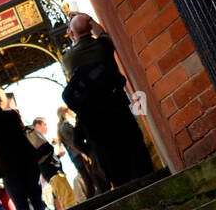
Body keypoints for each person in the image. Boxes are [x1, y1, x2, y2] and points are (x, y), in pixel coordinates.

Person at [61, 13, 153, 188]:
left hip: (94, 117)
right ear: (89, 28)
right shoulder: (103, 46)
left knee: (110, 155)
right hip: (116, 105)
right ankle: (145, 178)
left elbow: (72, 61)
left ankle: (124, 186)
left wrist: (74, 33)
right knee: (132, 145)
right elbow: (102, 32)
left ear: (72, 34)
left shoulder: (69, 58)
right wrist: (88, 19)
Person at [0, 83, 50, 210]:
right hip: (28, 163)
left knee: (22, 209)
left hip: (7, 169)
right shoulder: (12, 114)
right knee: (38, 203)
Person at [26, 115, 78, 210]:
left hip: (53, 173)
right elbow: (43, 157)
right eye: (44, 124)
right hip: (53, 173)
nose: (47, 127)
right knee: (68, 197)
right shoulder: (35, 140)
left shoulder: (38, 141)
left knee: (66, 197)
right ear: (37, 125)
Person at [56, 105, 105, 197]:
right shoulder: (67, 124)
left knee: (88, 181)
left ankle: (94, 199)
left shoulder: (61, 127)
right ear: (65, 112)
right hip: (80, 155)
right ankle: (101, 196)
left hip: (75, 157)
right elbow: (77, 140)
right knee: (93, 178)